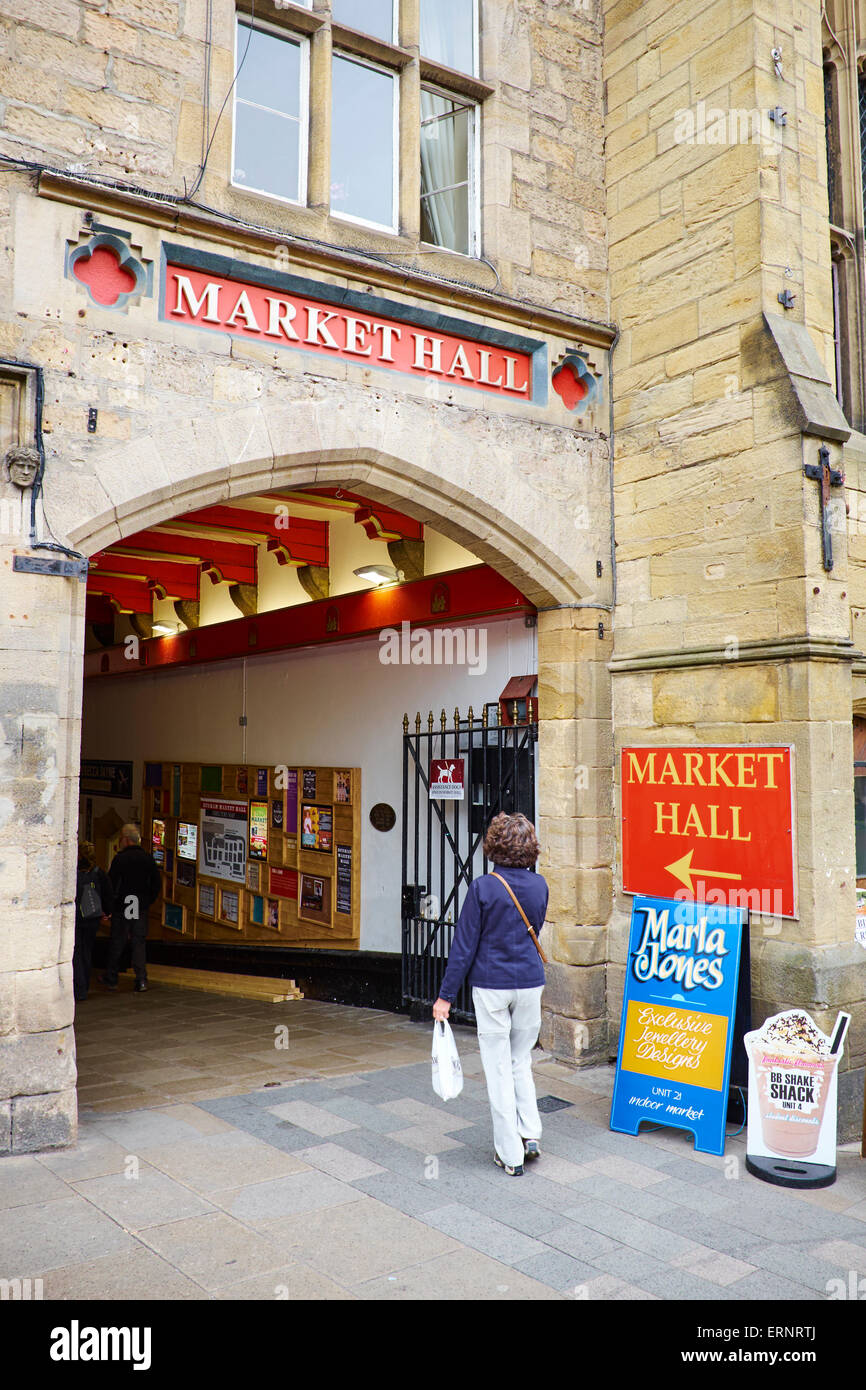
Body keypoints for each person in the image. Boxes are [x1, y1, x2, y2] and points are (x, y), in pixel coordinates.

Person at [433, 812, 548, 1177]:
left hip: (492, 985)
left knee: (498, 1068)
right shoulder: (540, 885)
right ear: (530, 847)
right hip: (530, 982)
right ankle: (530, 1134)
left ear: (494, 846)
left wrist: (445, 997)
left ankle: (509, 1153)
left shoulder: (483, 887)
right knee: (520, 1060)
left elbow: (464, 947)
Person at [101, 824, 162, 994]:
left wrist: (109, 907)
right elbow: (156, 884)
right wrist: (148, 900)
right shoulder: (148, 858)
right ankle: (141, 979)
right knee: (138, 942)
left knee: (118, 941)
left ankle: (112, 978)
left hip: (124, 903)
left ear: (126, 840)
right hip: (139, 903)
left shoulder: (120, 859)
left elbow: (111, 884)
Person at [73, 842, 113, 1003]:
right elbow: (108, 893)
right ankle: (84, 988)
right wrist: (107, 912)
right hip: (92, 917)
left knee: (76, 952)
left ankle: (78, 987)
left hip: (76, 916)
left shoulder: (73, 872)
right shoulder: (98, 872)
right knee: (87, 952)